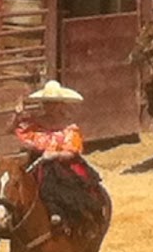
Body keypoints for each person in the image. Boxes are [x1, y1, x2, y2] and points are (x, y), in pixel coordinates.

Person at [12, 81, 105, 229]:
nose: (50, 107)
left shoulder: (69, 127)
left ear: (62, 104)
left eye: (54, 103)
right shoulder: (35, 123)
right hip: (37, 161)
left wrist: (54, 155)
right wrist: (16, 115)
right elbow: (13, 130)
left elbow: (72, 151)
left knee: (67, 183)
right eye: (47, 103)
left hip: (63, 165)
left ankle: (61, 214)